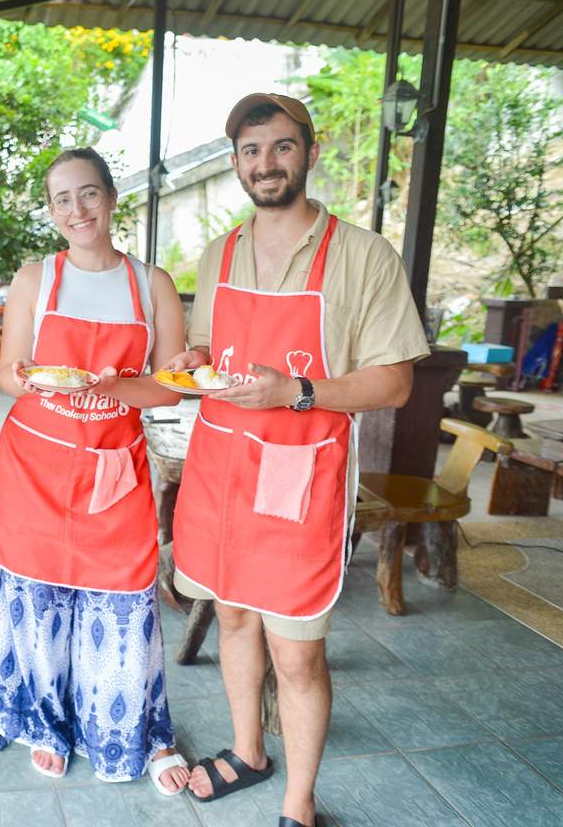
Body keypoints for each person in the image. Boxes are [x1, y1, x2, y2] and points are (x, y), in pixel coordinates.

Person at [167, 94, 428, 826]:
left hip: (299, 475)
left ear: (309, 154)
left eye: (281, 147)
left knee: (297, 653)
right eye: (251, 152)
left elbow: (395, 381)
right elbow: (210, 352)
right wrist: (193, 360)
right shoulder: (219, 253)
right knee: (235, 623)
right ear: (236, 164)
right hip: (219, 470)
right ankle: (248, 752)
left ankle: (298, 803)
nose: (265, 164)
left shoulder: (362, 255)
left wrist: (298, 389)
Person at [0, 148, 192, 794]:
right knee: (38, 596)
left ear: (111, 198)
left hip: (113, 469)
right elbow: (5, 374)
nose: (77, 210)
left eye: (89, 194)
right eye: (62, 199)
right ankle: (46, 723)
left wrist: (118, 386)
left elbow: (172, 386)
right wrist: (23, 377)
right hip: (35, 466)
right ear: (50, 210)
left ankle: (138, 729)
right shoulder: (34, 277)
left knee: (123, 595)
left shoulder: (148, 283)